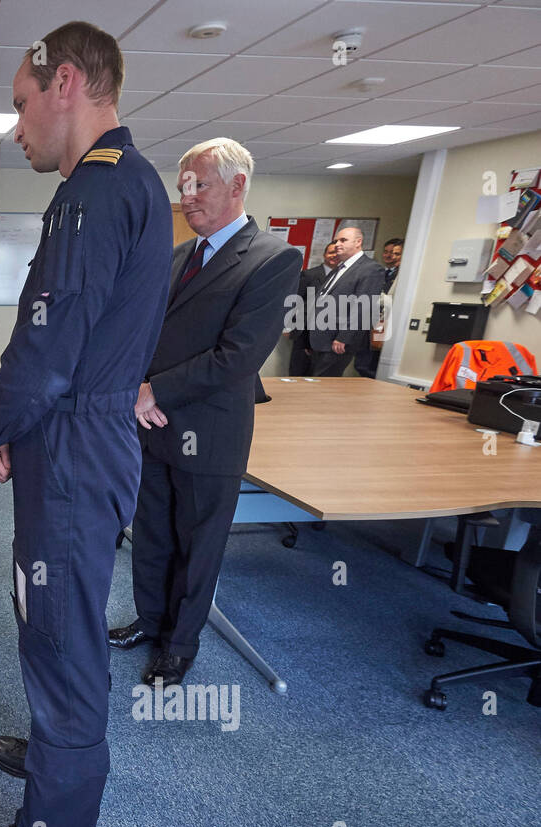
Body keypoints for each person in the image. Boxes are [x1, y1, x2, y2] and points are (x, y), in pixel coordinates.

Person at [0, 21, 171, 827]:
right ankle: (59, 757)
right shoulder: (129, 183)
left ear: (68, 83)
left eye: (20, 104)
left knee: (62, 638)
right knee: (52, 621)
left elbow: (45, 351)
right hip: (82, 436)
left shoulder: (96, 190)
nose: (17, 127)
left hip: (77, 444)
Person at [110, 138, 301, 687]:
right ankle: (149, 621)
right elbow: (147, 336)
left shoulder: (273, 257)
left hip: (209, 430)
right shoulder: (177, 257)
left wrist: (154, 392)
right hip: (152, 425)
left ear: (238, 185)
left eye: (200, 185)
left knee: (198, 545)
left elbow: (238, 357)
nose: (187, 197)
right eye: (183, 186)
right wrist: (136, 389)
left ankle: (179, 645)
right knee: (150, 533)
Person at [306, 225, 386, 377]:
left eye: (343, 240)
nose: (337, 244)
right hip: (321, 338)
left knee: (323, 386)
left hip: (338, 341)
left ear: (358, 242)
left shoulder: (370, 269)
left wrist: (344, 337)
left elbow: (364, 306)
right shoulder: (340, 267)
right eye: (336, 241)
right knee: (315, 383)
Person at [356, 236, 403, 378]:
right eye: (387, 252)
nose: (389, 256)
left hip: (386, 323)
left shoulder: (403, 275)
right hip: (369, 321)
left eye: (396, 253)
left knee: (372, 364)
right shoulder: (378, 272)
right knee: (361, 362)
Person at [289, 241, 339, 375]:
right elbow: (296, 300)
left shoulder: (342, 278)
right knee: (299, 371)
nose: (334, 255)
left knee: (319, 375)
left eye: (337, 252)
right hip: (304, 331)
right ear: (324, 255)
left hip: (327, 335)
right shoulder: (309, 275)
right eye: (331, 252)